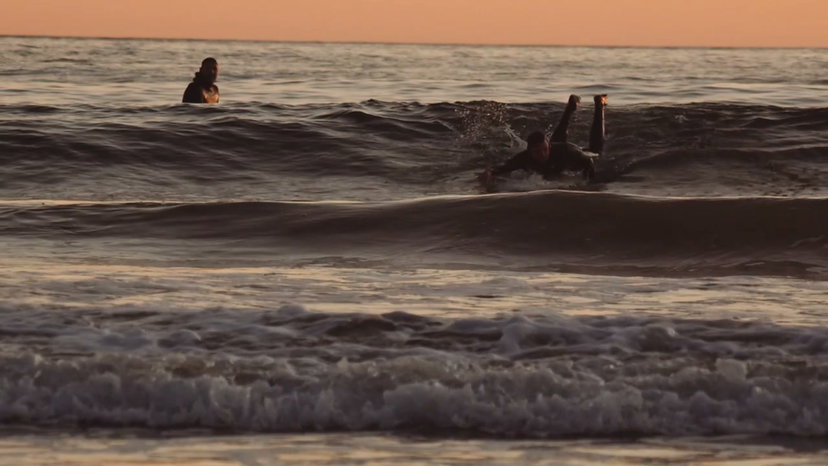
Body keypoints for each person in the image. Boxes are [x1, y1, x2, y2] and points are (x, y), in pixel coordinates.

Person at [478, 94, 607, 188]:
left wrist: (588, 183)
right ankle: (570, 107)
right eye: (537, 151)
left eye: (544, 150)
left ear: (548, 147)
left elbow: (588, 161)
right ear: (530, 152)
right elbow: (503, 167)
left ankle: (599, 104)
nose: (542, 154)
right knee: (557, 140)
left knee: (596, 151)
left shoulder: (568, 152)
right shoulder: (524, 158)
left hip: (568, 152)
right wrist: (489, 173)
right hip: (556, 151)